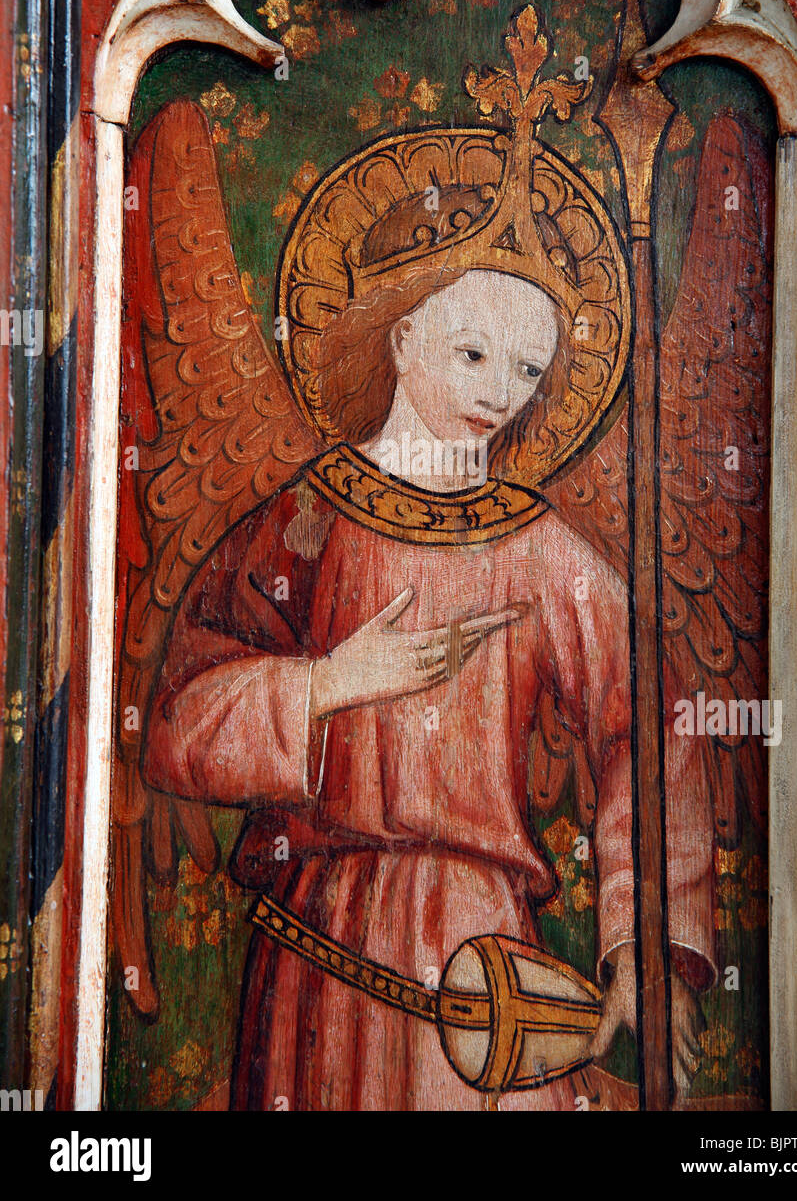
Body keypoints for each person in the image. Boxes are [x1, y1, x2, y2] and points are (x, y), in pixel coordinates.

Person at [143, 257, 715, 1111]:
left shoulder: (538, 549)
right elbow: (173, 732)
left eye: (528, 369)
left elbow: (652, 721)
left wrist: (641, 941)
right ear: (405, 341)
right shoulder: (307, 520)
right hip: (322, 938)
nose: (501, 392)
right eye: (474, 354)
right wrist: (326, 684)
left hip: (479, 948)